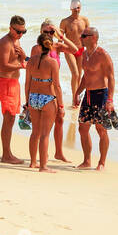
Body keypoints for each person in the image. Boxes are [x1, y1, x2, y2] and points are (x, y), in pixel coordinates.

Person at [30, 18, 79, 162]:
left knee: (59, 120)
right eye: (47, 31)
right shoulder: (37, 48)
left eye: (52, 31)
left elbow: (75, 50)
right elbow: (33, 69)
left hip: (55, 91)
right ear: (41, 32)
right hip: (42, 91)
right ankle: (40, 156)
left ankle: (58, 152)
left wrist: (61, 36)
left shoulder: (57, 46)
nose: (50, 34)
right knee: (41, 127)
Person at [76, 27, 116, 171]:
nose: (81, 38)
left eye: (84, 36)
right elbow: (85, 76)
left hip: (101, 95)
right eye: (81, 35)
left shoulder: (103, 55)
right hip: (88, 95)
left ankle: (102, 163)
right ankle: (87, 161)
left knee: (101, 129)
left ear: (93, 37)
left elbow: (111, 78)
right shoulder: (85, 54)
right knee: (83, 128)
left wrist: (110, 100)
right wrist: (77, 92)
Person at [25, 33, 65, 173]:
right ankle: (43, 166)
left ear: (38, 45)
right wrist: (61, 105)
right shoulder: (52, 62)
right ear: (50, 45)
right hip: (47, 99)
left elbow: (27, 83)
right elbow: (57, 86)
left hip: (33, 97)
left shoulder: (31, 61)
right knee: (45, 135)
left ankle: (32, 162)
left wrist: (27, 101)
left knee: (35, 132)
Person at [0, 16, 29, 164]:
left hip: (14, 83)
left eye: (23, 31)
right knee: (8, 118)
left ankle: (7, 153)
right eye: (18, 31)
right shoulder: (4, 42)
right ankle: (6, 155)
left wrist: (24, 58)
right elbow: (3, 66)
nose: (20, 34)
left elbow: (19, 60)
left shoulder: (16, 40)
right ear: (10, 28)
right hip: (5, 82)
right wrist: (22, 66)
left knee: (12, 118)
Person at [58, 0, 90, 104]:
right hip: (69, 50)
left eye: (78, 7)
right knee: (75, 74)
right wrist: (57, 54)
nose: (76, 10)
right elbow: (60, 38)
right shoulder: (65, 21)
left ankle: (77, 97)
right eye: (74, 8)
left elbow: (89, 36)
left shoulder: (84, 20)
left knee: (80, 75)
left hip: (81, 50)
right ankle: (74, 99)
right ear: (71, 8)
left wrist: (90, 51)